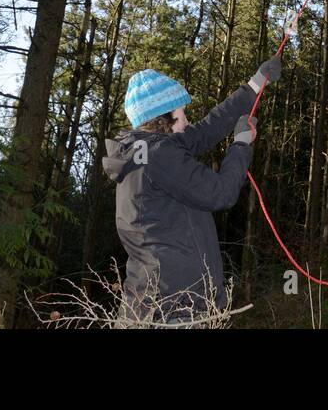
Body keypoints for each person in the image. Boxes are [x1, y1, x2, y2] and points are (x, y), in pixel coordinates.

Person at [102, 56, 281, 324]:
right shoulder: (158, 156)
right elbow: (220, 193)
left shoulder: (144, 153)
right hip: (173, 310)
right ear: (164, 117)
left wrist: (255, 84)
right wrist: (242, 144)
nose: (186, 120)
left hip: (155, 307)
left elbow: (208, 129)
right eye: (182, 112)